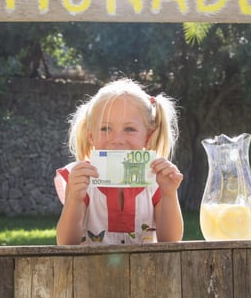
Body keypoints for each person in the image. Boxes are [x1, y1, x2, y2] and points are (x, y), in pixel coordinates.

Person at [55, 79, 184, 245]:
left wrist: (169, 194)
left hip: (148, 269)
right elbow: (66, 243)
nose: (117, 140)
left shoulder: (157, 178)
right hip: (88, 270)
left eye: (129, 129)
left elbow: (171, 241)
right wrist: (74, 197)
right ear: (91, 136)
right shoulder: (81, 178)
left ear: (148, 136)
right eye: (105, 129)